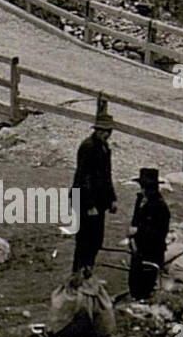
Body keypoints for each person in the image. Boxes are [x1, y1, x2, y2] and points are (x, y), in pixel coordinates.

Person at [71, 111, 117, 273]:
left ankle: (87, 270)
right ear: (96, 130)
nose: (106, 134)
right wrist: (89, 204)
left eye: (108, 131)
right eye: (103, 131)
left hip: (99, 200)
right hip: (85, 199)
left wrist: (112, 198)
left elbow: (106, 175)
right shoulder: (88, 147)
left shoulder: (104, 147)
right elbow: (83, 177)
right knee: (84, 240)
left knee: (96, 240)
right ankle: (77, 274)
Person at [128, 167, 170, 300]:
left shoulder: (160, 207)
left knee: (145, 284)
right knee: (134, 281)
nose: (143, 190)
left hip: (152, 250)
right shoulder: (140, 199)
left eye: (146, 187)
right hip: (138, 247)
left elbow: (158, 232)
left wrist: (138, 231)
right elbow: (135, 219)